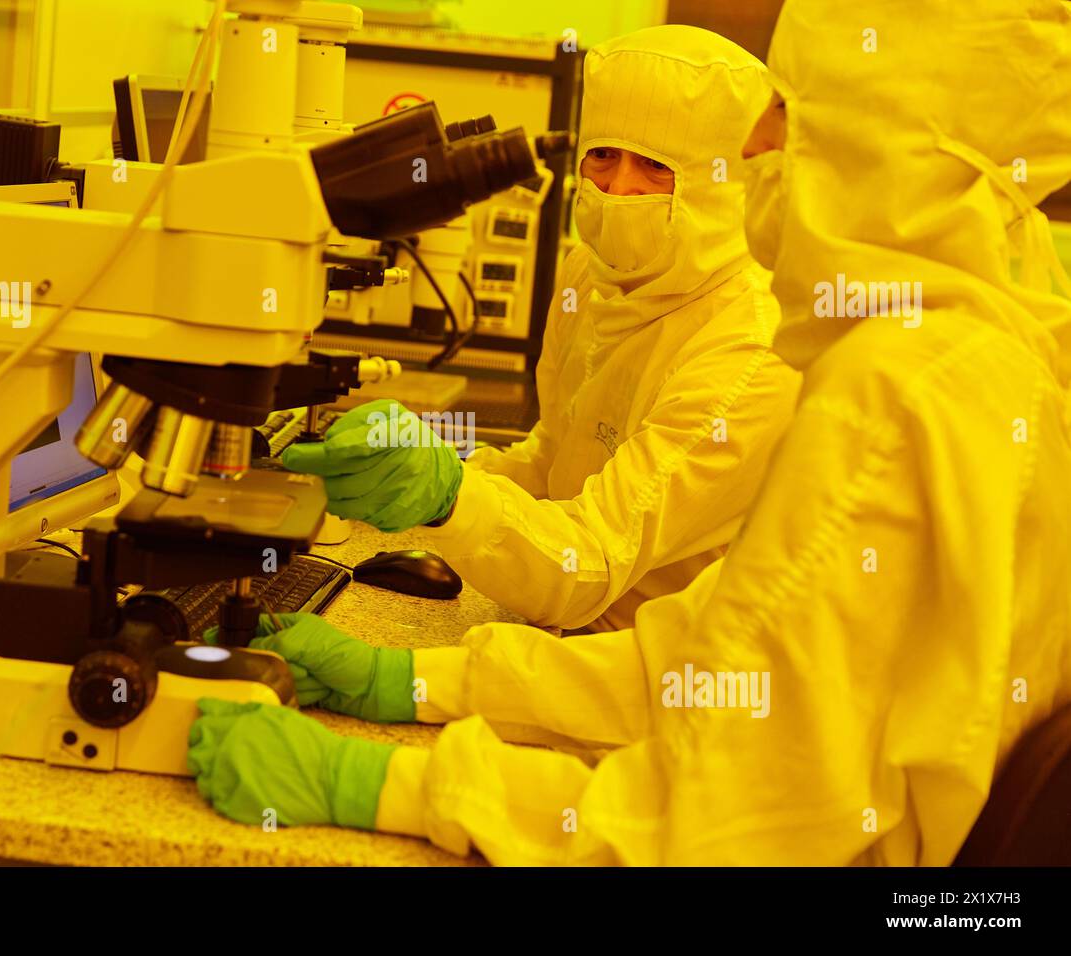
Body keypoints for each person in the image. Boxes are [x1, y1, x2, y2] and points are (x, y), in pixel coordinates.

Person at [189, 0, 1071, 865]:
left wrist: (390, 787)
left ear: (881, 136)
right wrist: (414, 683)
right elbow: (708, 658)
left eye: (787, 114)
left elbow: (708, 832)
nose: (758, 150)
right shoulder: (972, 358)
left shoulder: (892, 398)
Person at [283, 26, 801, 632]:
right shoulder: (589, 270)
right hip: (554, 641)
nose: (618, 190)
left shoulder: (751, 349)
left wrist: (449, 498)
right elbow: (555, 460)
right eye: (603, 155)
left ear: (722, 181)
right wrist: (417, 482)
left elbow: (587, 566)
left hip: (652, 672)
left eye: (656, 167)